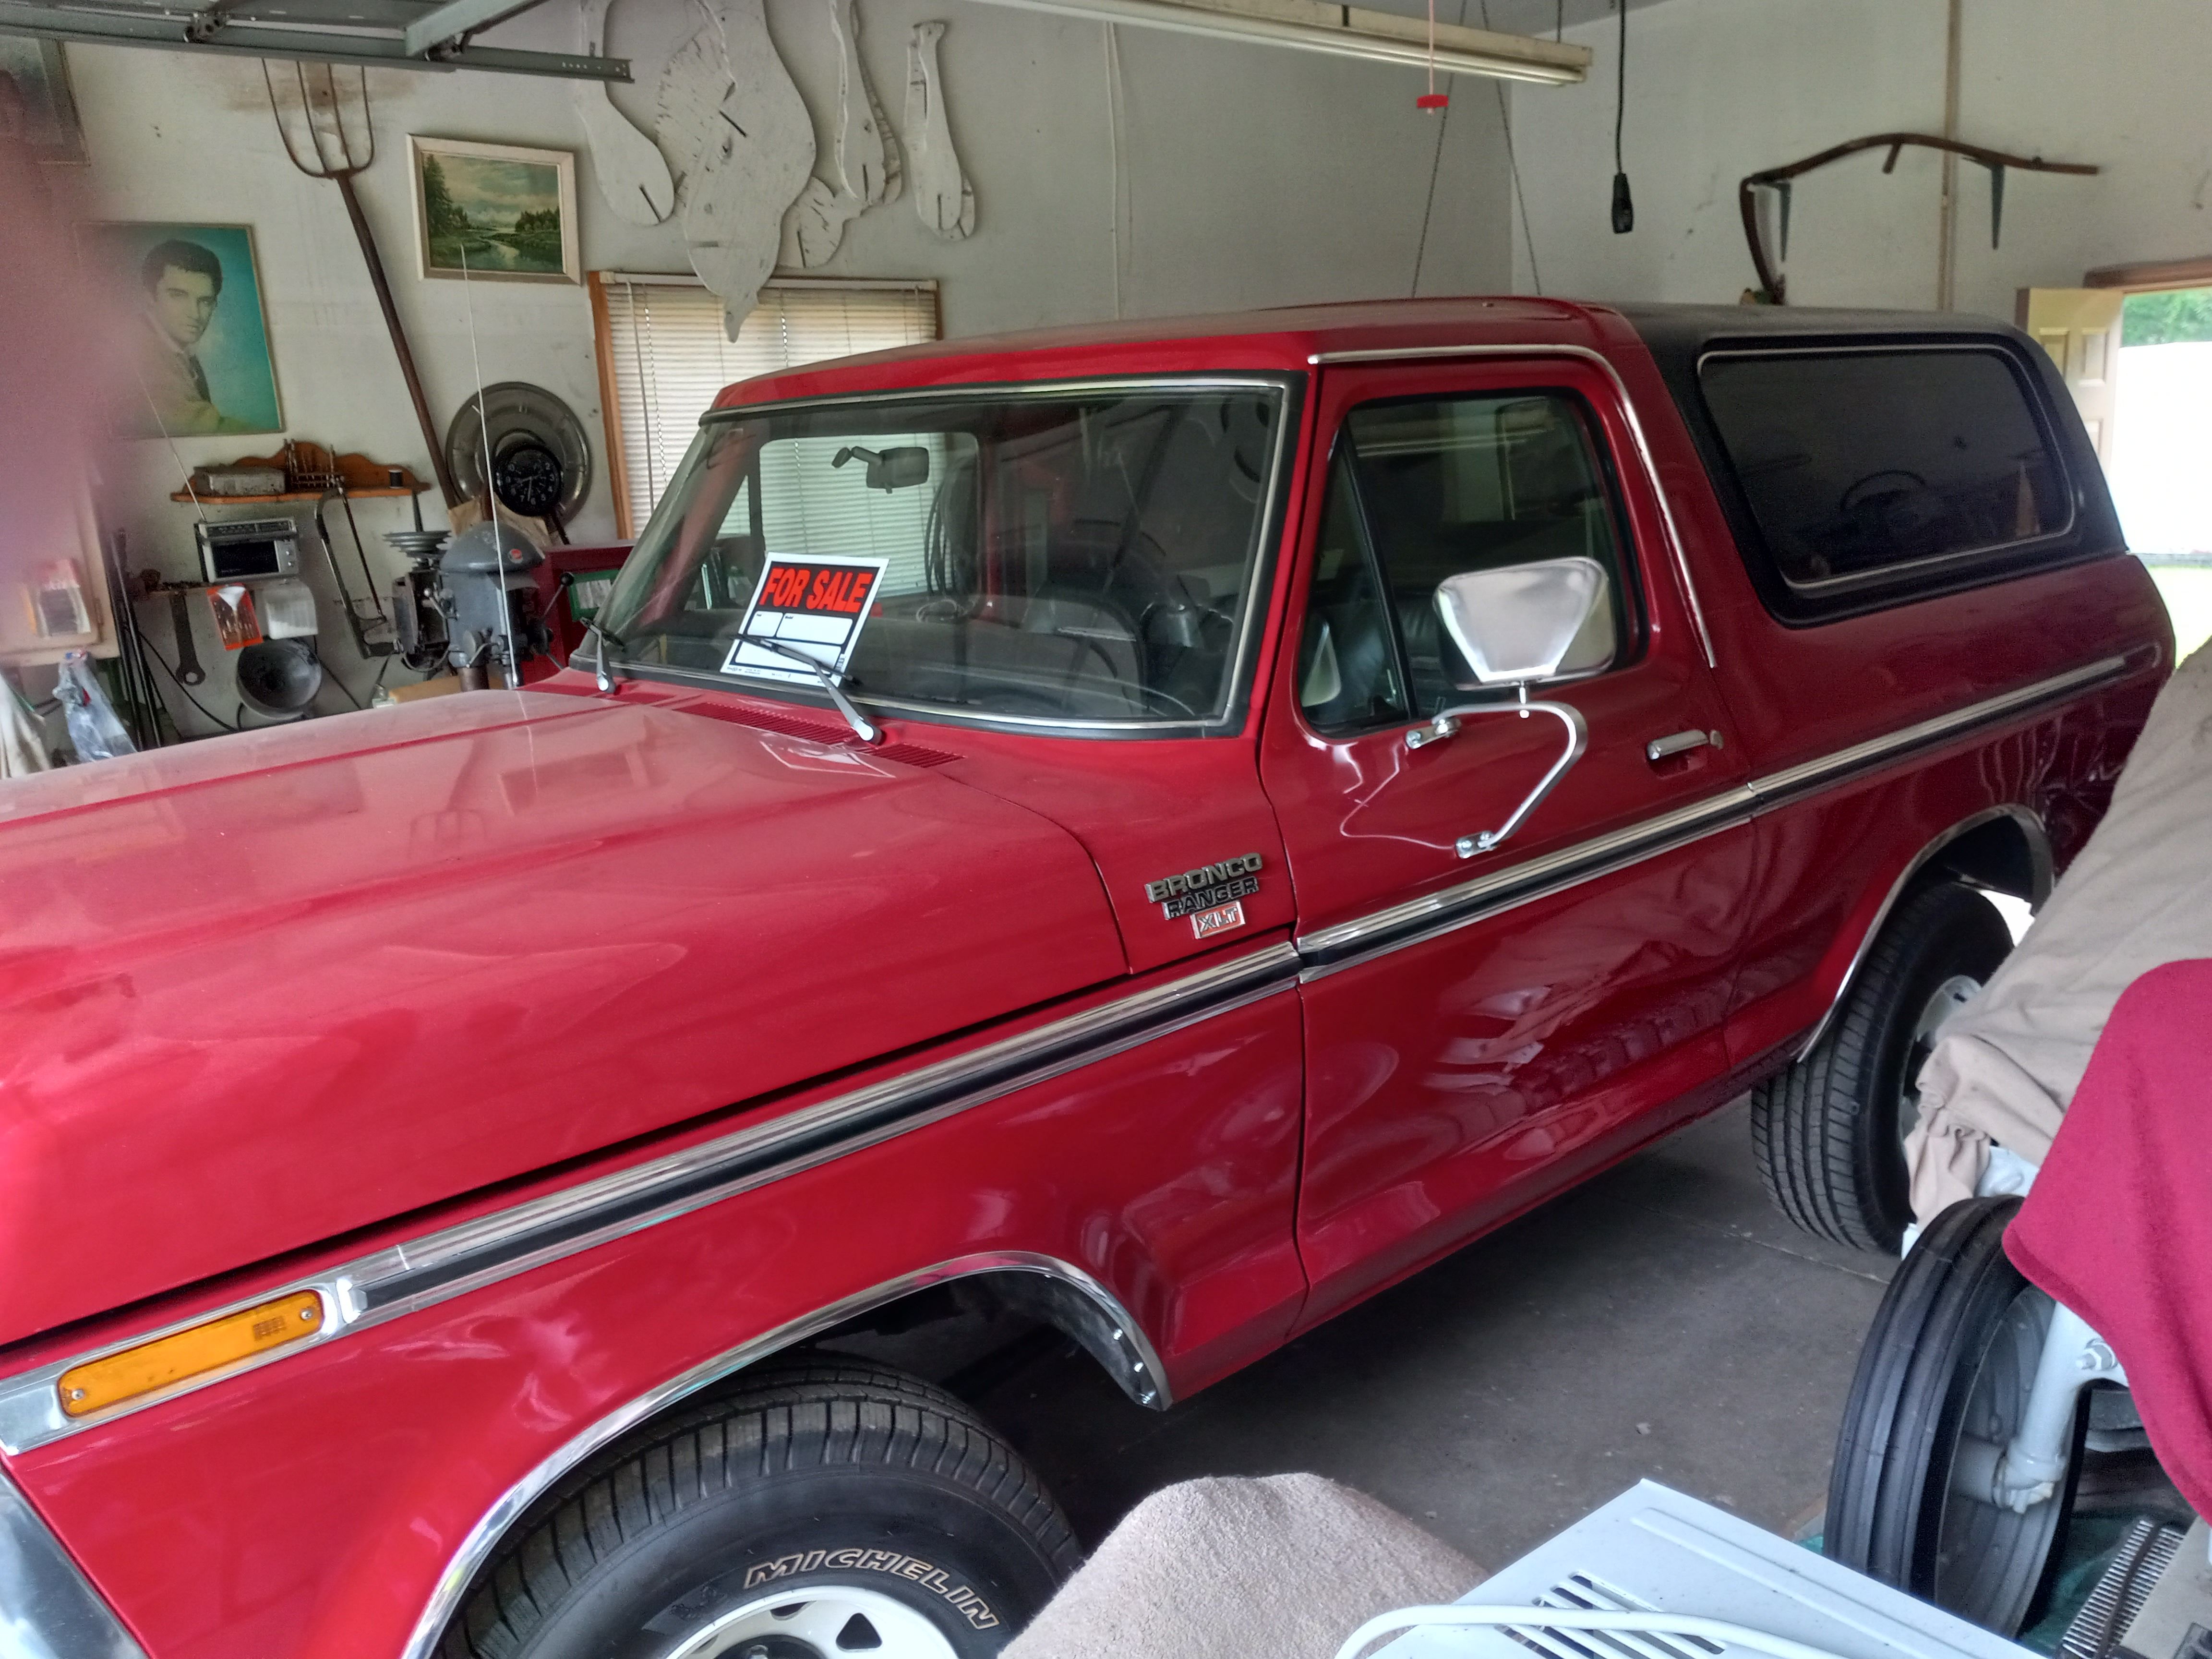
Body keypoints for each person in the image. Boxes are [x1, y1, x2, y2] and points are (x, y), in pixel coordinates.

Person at [136, 239, 252, 435]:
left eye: (205, 301)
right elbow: (205, 428)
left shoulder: (178, 351)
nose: (195, 314)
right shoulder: (141, 353)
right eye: (178, 296)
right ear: (149, 298)